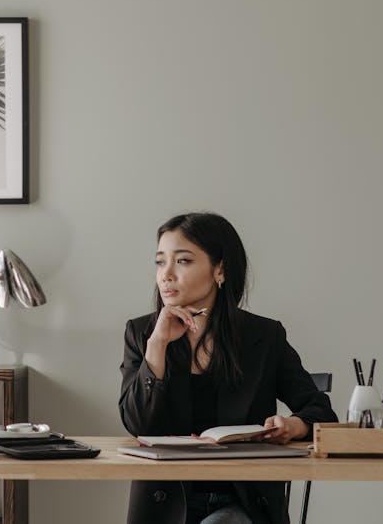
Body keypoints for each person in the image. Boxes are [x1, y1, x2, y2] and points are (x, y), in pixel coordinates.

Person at [119, 212, 337, 524]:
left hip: (244, 503)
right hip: (165, 505)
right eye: (160, 262)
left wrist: (293, 426)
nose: (166, 274)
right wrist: (158, 346)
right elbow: (136, 424)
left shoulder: (263, 336)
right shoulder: (143, 334)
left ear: (220, 269)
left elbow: (321, 412)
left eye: (182, 261)